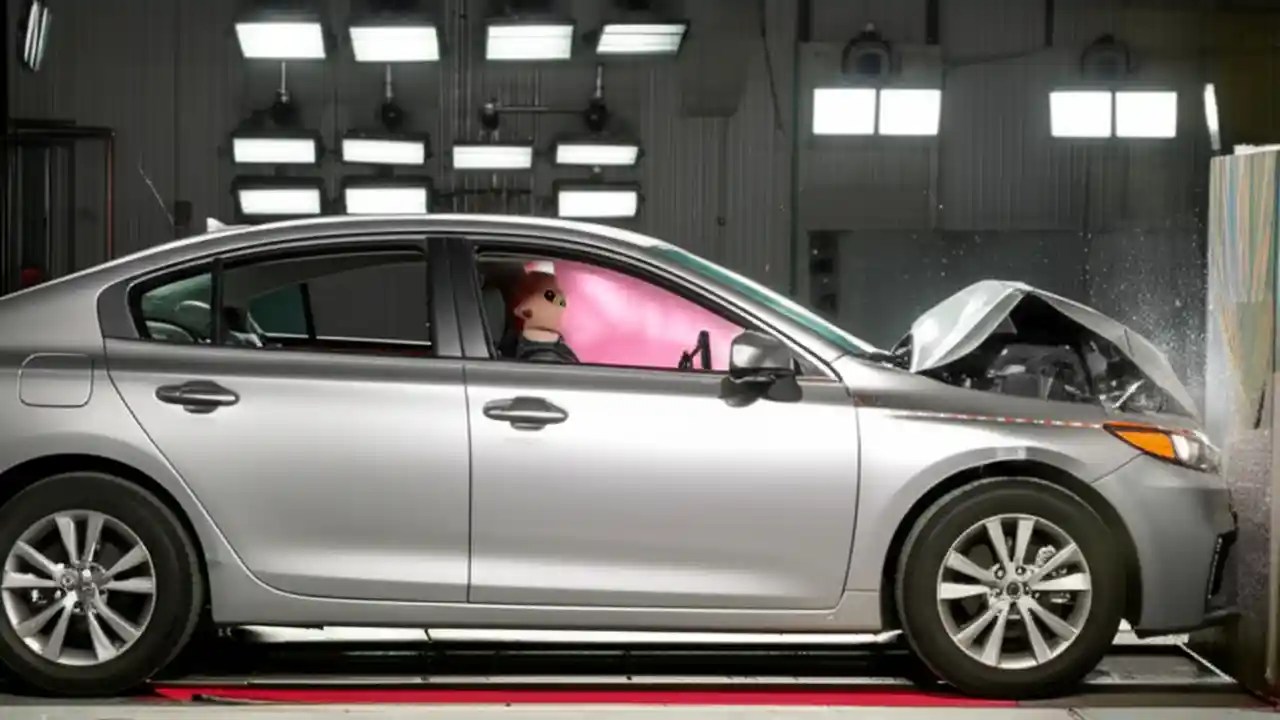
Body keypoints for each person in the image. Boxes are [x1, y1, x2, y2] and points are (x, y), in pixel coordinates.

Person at [510, 271, 579, 364]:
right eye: (552, 296)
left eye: (563, 297)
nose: (563, 304)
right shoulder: (544, 360)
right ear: (523, 308)